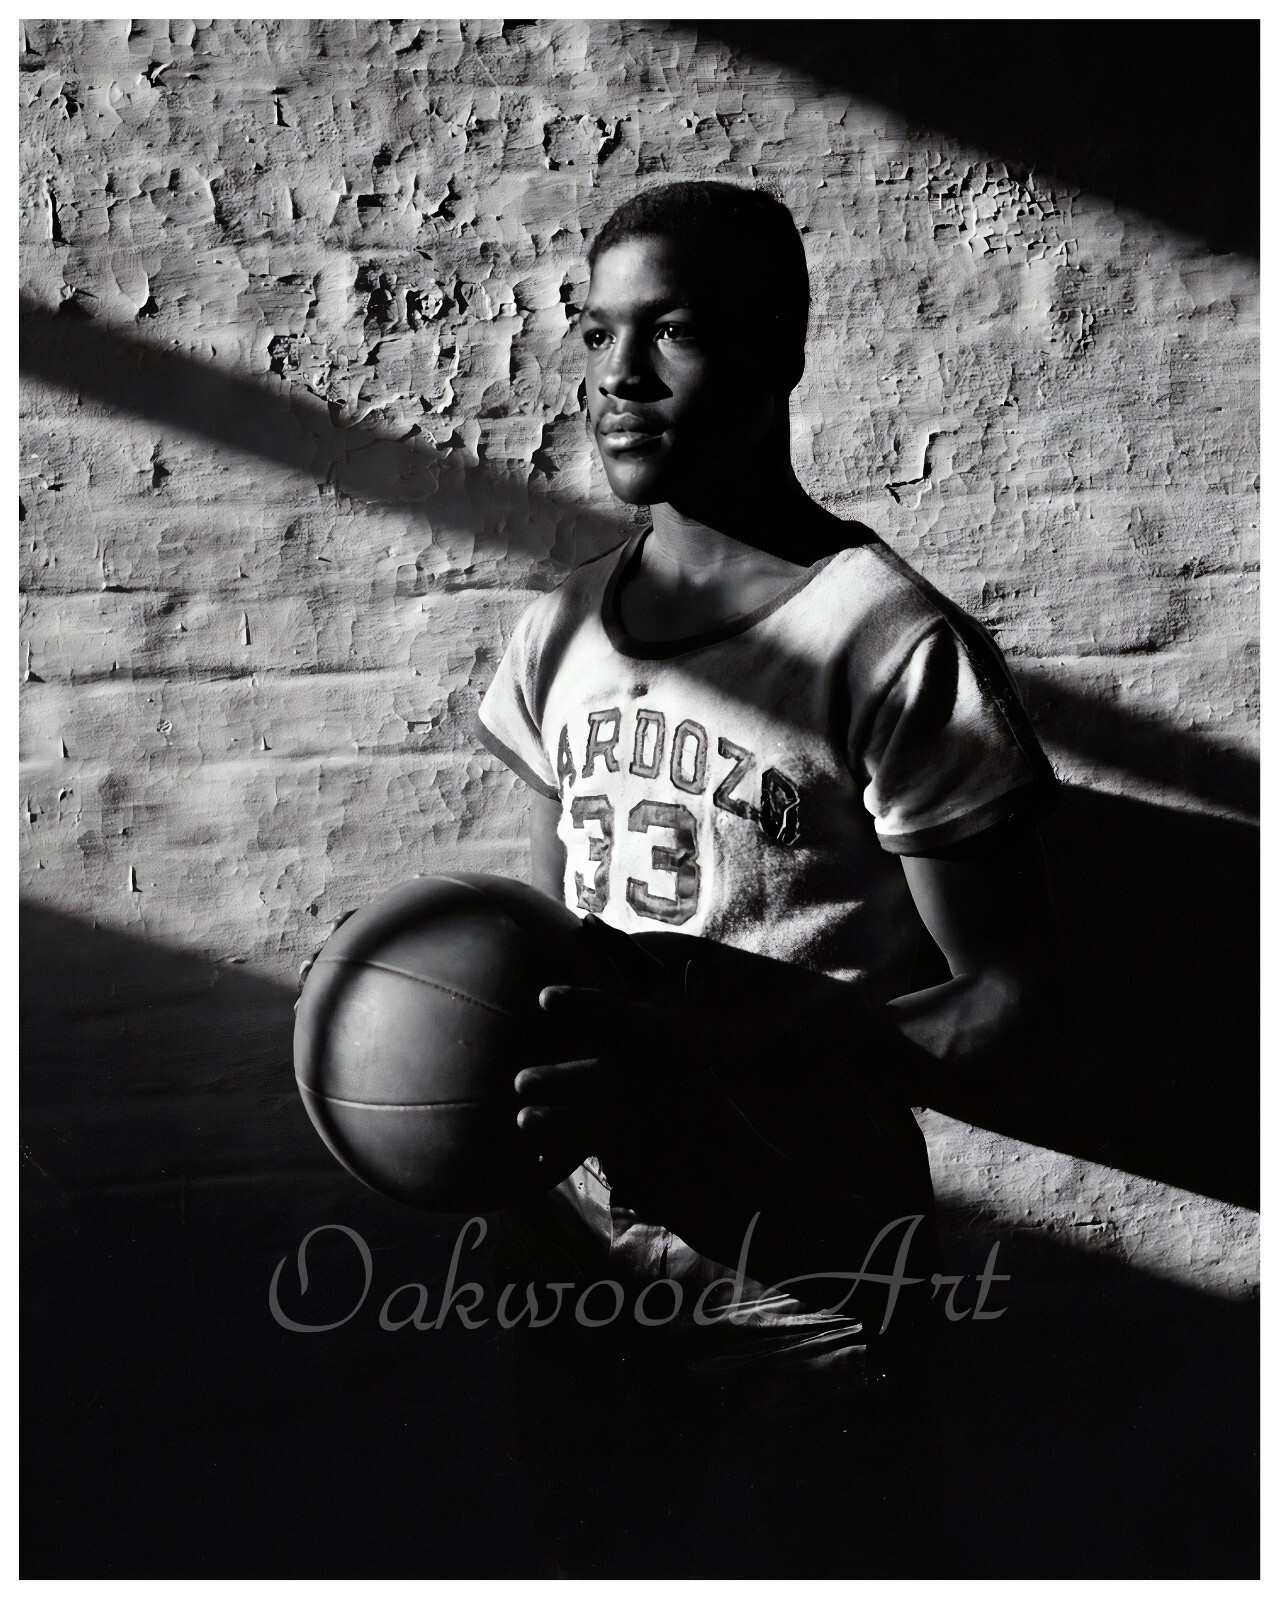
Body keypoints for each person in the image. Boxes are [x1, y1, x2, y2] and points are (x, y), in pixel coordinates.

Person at [474, 180, 1058, 1577]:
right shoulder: (558, 635)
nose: (618, 376)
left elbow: (1013, 1007)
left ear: (782, 349)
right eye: (599, 331)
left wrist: (740, 1053)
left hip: (805, 1266)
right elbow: (554, 947)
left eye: (669, 331)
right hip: (582, 1254)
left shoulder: (893, 647)